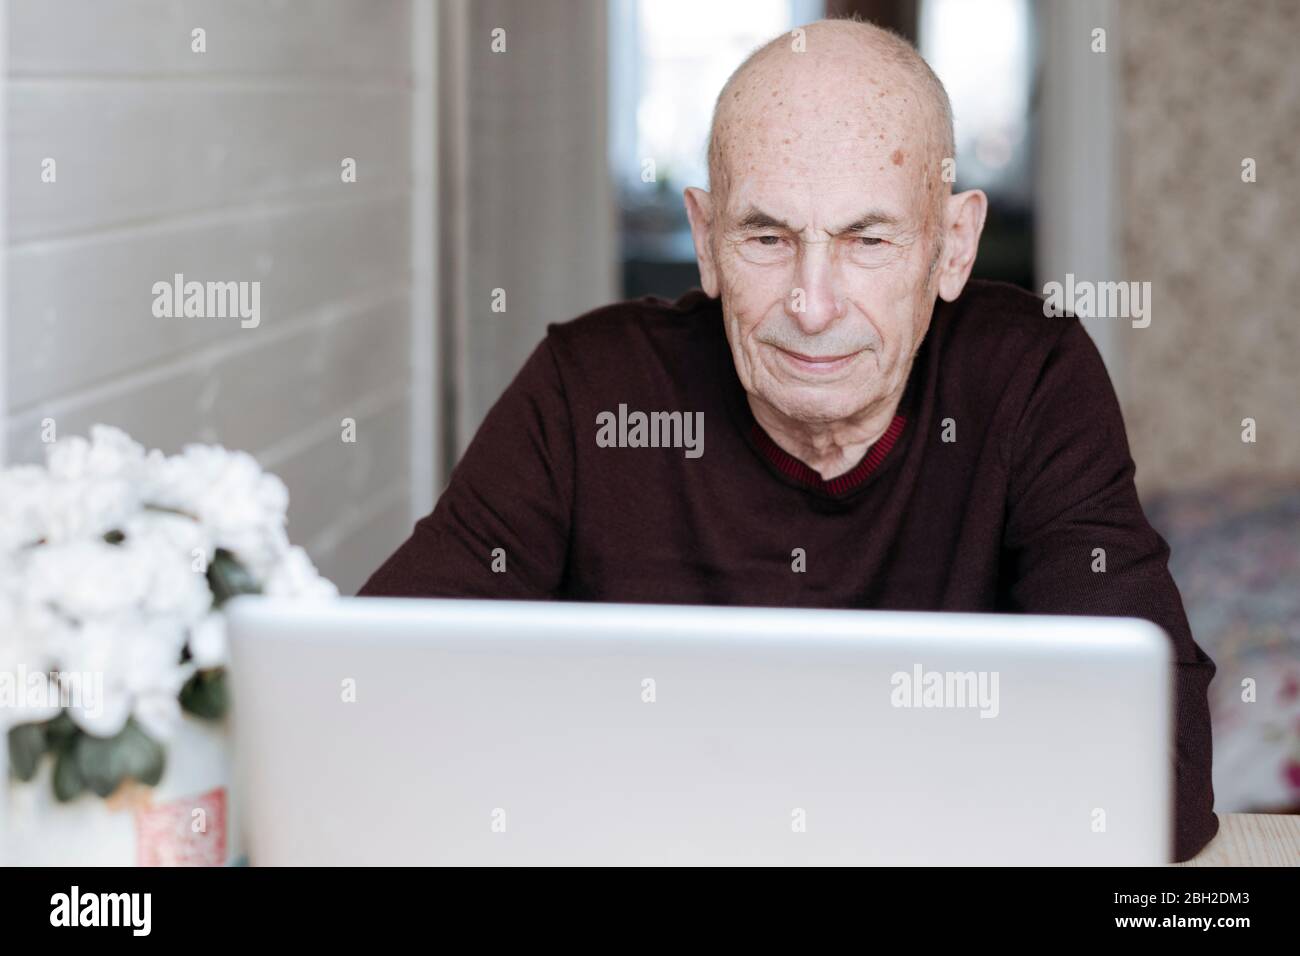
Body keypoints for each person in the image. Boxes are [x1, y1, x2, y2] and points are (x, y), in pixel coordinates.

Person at [360, 18, 1217, 861]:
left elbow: (1156, 779)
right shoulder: (590, 391)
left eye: (867, 239)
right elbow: (370, 701)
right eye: (766, 238)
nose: (813, 305)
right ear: (706, 241)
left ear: (952, 246)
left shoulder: (1031, 380)